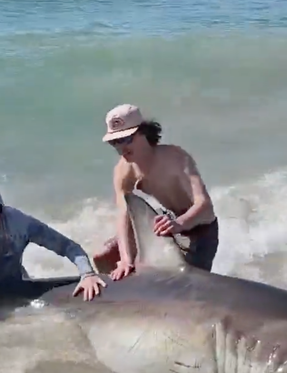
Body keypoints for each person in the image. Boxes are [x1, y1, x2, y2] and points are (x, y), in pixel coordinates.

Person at [92, 104, 219, 280]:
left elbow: (204, 206)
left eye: (126, 139)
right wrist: (125, 259)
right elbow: (123, 213)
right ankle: (119, 302)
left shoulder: (176, 158)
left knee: (182, 285)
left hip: (200, 229)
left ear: (143, 132)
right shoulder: (123, 170)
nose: (121, 148)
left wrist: (179, 224)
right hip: (169, 223)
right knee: (103, 256)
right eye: (115, 142)